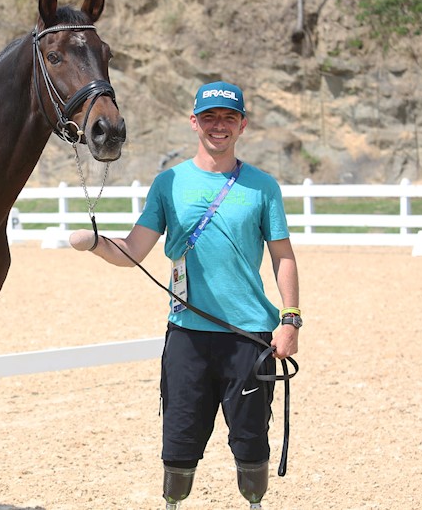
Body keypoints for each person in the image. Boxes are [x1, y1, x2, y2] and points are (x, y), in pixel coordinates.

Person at [68, 81, 300, 510]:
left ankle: (255, 503)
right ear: (194, 122)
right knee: (178, 445)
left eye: (228, 117)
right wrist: (97, 243)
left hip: (249, 337)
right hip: (186, 337)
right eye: (209, 117)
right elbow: (133, 250)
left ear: (243, 125)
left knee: (251, 443)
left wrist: (290, 320)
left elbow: (282, 256)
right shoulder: (169, 183)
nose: (219, 126)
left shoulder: (263, 186)